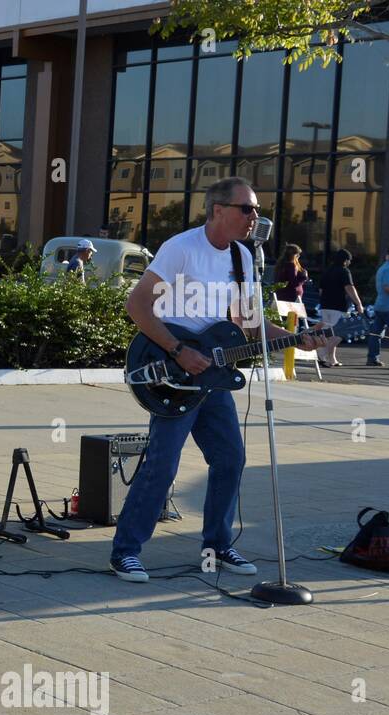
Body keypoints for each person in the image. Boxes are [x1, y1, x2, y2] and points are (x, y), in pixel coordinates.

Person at [109, 176, 319, 584]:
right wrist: (177, 350)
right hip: (172, 373)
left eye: (257, 209)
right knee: (162, 466)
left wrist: (299, 338)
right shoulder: (181, 249)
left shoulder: (243, 258)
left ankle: (218, 546)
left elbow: (251, 323)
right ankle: (125, 552)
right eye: (247, 208)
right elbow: (137, 305)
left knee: (230, 459)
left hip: (214, 376)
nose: (254, 217)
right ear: (218, 210)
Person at [317, 249, 363, 367]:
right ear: (346, 261)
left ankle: (332, 359)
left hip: (325, 306)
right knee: (339, 333)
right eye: (349, 261)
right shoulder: (344, 271)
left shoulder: (327, 271)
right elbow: (349, 288)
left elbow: (321, 290)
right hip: (339, 307)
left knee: (329, 333)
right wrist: (358, 303)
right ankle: (322, 355)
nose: (350, 263)